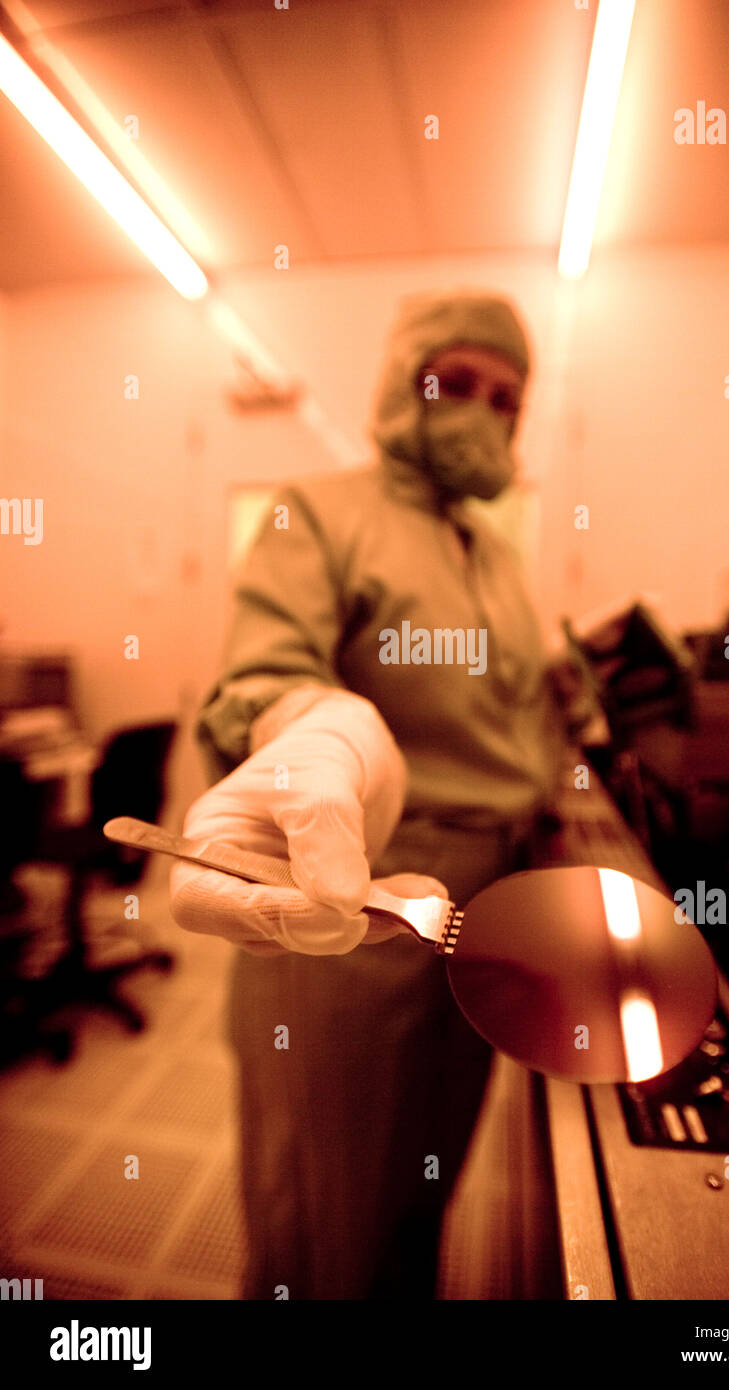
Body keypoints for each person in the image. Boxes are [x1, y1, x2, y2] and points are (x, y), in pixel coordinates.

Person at [169, 291, 567, 1299]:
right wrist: (318, 727)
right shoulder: (321, 511)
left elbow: (510, 703)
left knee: (420, 1186)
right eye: (458, 383)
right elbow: (254, 681)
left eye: (505, 400)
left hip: (488, 909)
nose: (482, 411)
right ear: (403, 382)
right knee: (324, 1222)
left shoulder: (495, 555)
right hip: (357, 904)